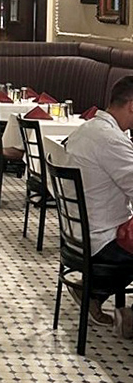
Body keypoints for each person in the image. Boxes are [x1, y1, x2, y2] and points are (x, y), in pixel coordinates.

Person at [64, 75, 133, 336]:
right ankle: (129, 318)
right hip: (101, 241)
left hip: (77, 234)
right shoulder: (111, 139)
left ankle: (92, 290)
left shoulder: (87, 129)